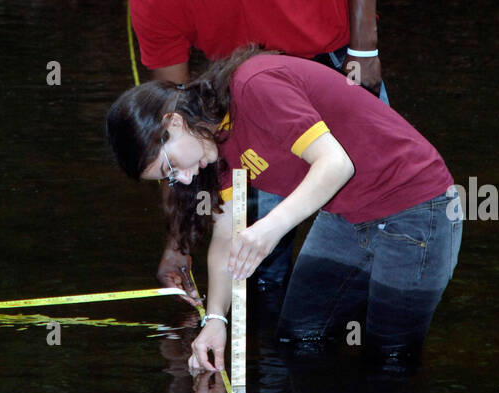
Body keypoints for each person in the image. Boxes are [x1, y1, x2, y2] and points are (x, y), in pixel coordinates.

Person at [94, 0, 386, 299]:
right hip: (256, 110)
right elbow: (175, 122)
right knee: (260, 273)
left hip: (339, 65)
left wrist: (364, 49)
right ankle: (270, 361)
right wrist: (179, 242)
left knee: (380, 216)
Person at [106, 47, 462, 372]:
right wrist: (216, 319)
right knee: (299, 338)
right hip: (347, 215)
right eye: (169, 179)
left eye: (171, 168)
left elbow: (336, 164)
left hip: (415, 204)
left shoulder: (254, 86)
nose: (182, 180)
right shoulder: (214, 144)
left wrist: (269, 228)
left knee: (391, 359)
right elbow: (226, 234)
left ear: (173, 123)